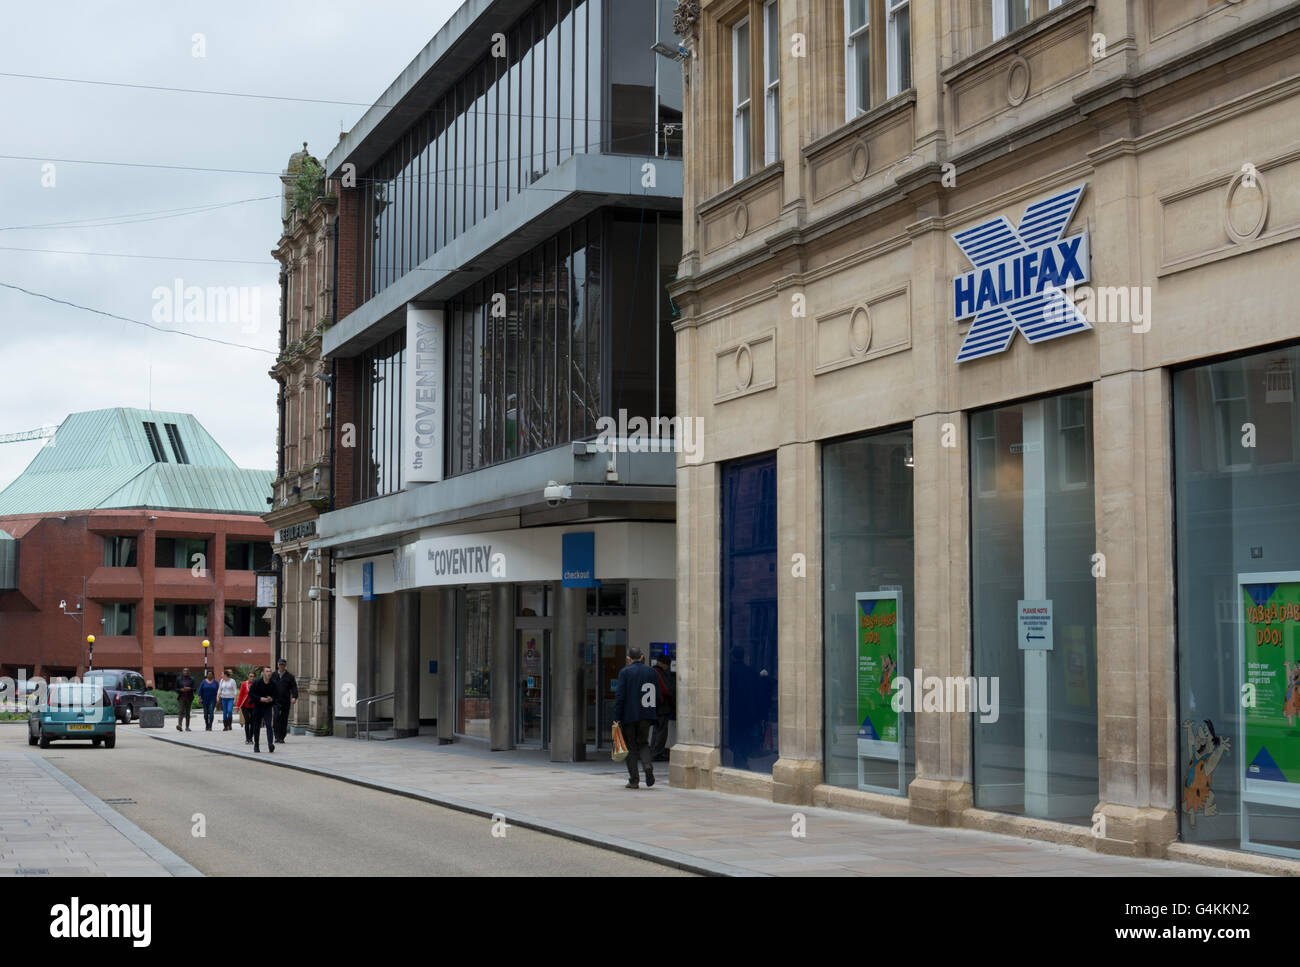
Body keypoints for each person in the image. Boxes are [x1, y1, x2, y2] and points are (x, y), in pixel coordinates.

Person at [611, 646, 661, 789]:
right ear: (642, 656)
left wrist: (616, 717)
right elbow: (657, 696)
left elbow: (620, 696)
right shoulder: (652, 672)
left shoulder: (625, 672)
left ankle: (634, 780)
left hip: (629, 716)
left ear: (628, 658)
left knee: (631, 747)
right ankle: (647, 766)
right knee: (643, 743)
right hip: (647, 714)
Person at [650, 655, 676, 762]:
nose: (667, 668)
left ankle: (653, 751)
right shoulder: (659, 673)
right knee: (661, 731)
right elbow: (667, 690)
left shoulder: (651, 671)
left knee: (656, 731)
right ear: (663, 664)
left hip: (654, 707)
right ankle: (657, 753)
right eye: (667, 665)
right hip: (662, 707)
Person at [249, 666, 277, 753]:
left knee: (269, 725)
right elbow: (251, 694)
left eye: (270, 671)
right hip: (258, 707)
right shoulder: (257, 682)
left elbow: (277, 695)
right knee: (257, 726)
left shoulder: (273, 683)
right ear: (263, 673)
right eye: (267, 671)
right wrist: (260, 699)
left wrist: (272, 699)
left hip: (268, 707)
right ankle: (256, 745)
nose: (269, 673)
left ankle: (270, 744)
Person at [271, 659, 298, 743]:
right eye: (280, 664)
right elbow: (268, 686)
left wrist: (294, 697)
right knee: (276, 717)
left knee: (284, 718)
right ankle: (276, 736)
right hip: (275, 700)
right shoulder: (273, 675)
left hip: (285, 700)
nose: (281, 666)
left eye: (283, 665)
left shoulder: (290, 676)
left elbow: (294, 687)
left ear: (285, 666)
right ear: (278, 665)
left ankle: (282, 737)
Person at [236, 669, 257, 744]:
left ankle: (251, 738)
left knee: (253, 722)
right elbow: (241, 695)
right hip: (245, 705)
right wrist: (237, 706)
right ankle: (247, 738)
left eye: (253, 677)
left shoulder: (256, 684)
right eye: (250, 676)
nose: (252, 678)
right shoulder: (244, 684)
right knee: (247, 721)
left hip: (254, 705)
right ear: (248, 676)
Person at [175, 668, 196, 732]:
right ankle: (180, 725)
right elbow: (176, 688)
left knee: (187, 713)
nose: (185, 672)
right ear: (182, 672)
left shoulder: (192, 679)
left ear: (189, 672)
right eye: (184, 671)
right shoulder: (178, 679)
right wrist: (180, 690)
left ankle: (187, 727)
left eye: (187, 671)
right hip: (181, 697)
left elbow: (195, 689)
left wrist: (190, 688)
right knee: (181, 711)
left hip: (189, 698)